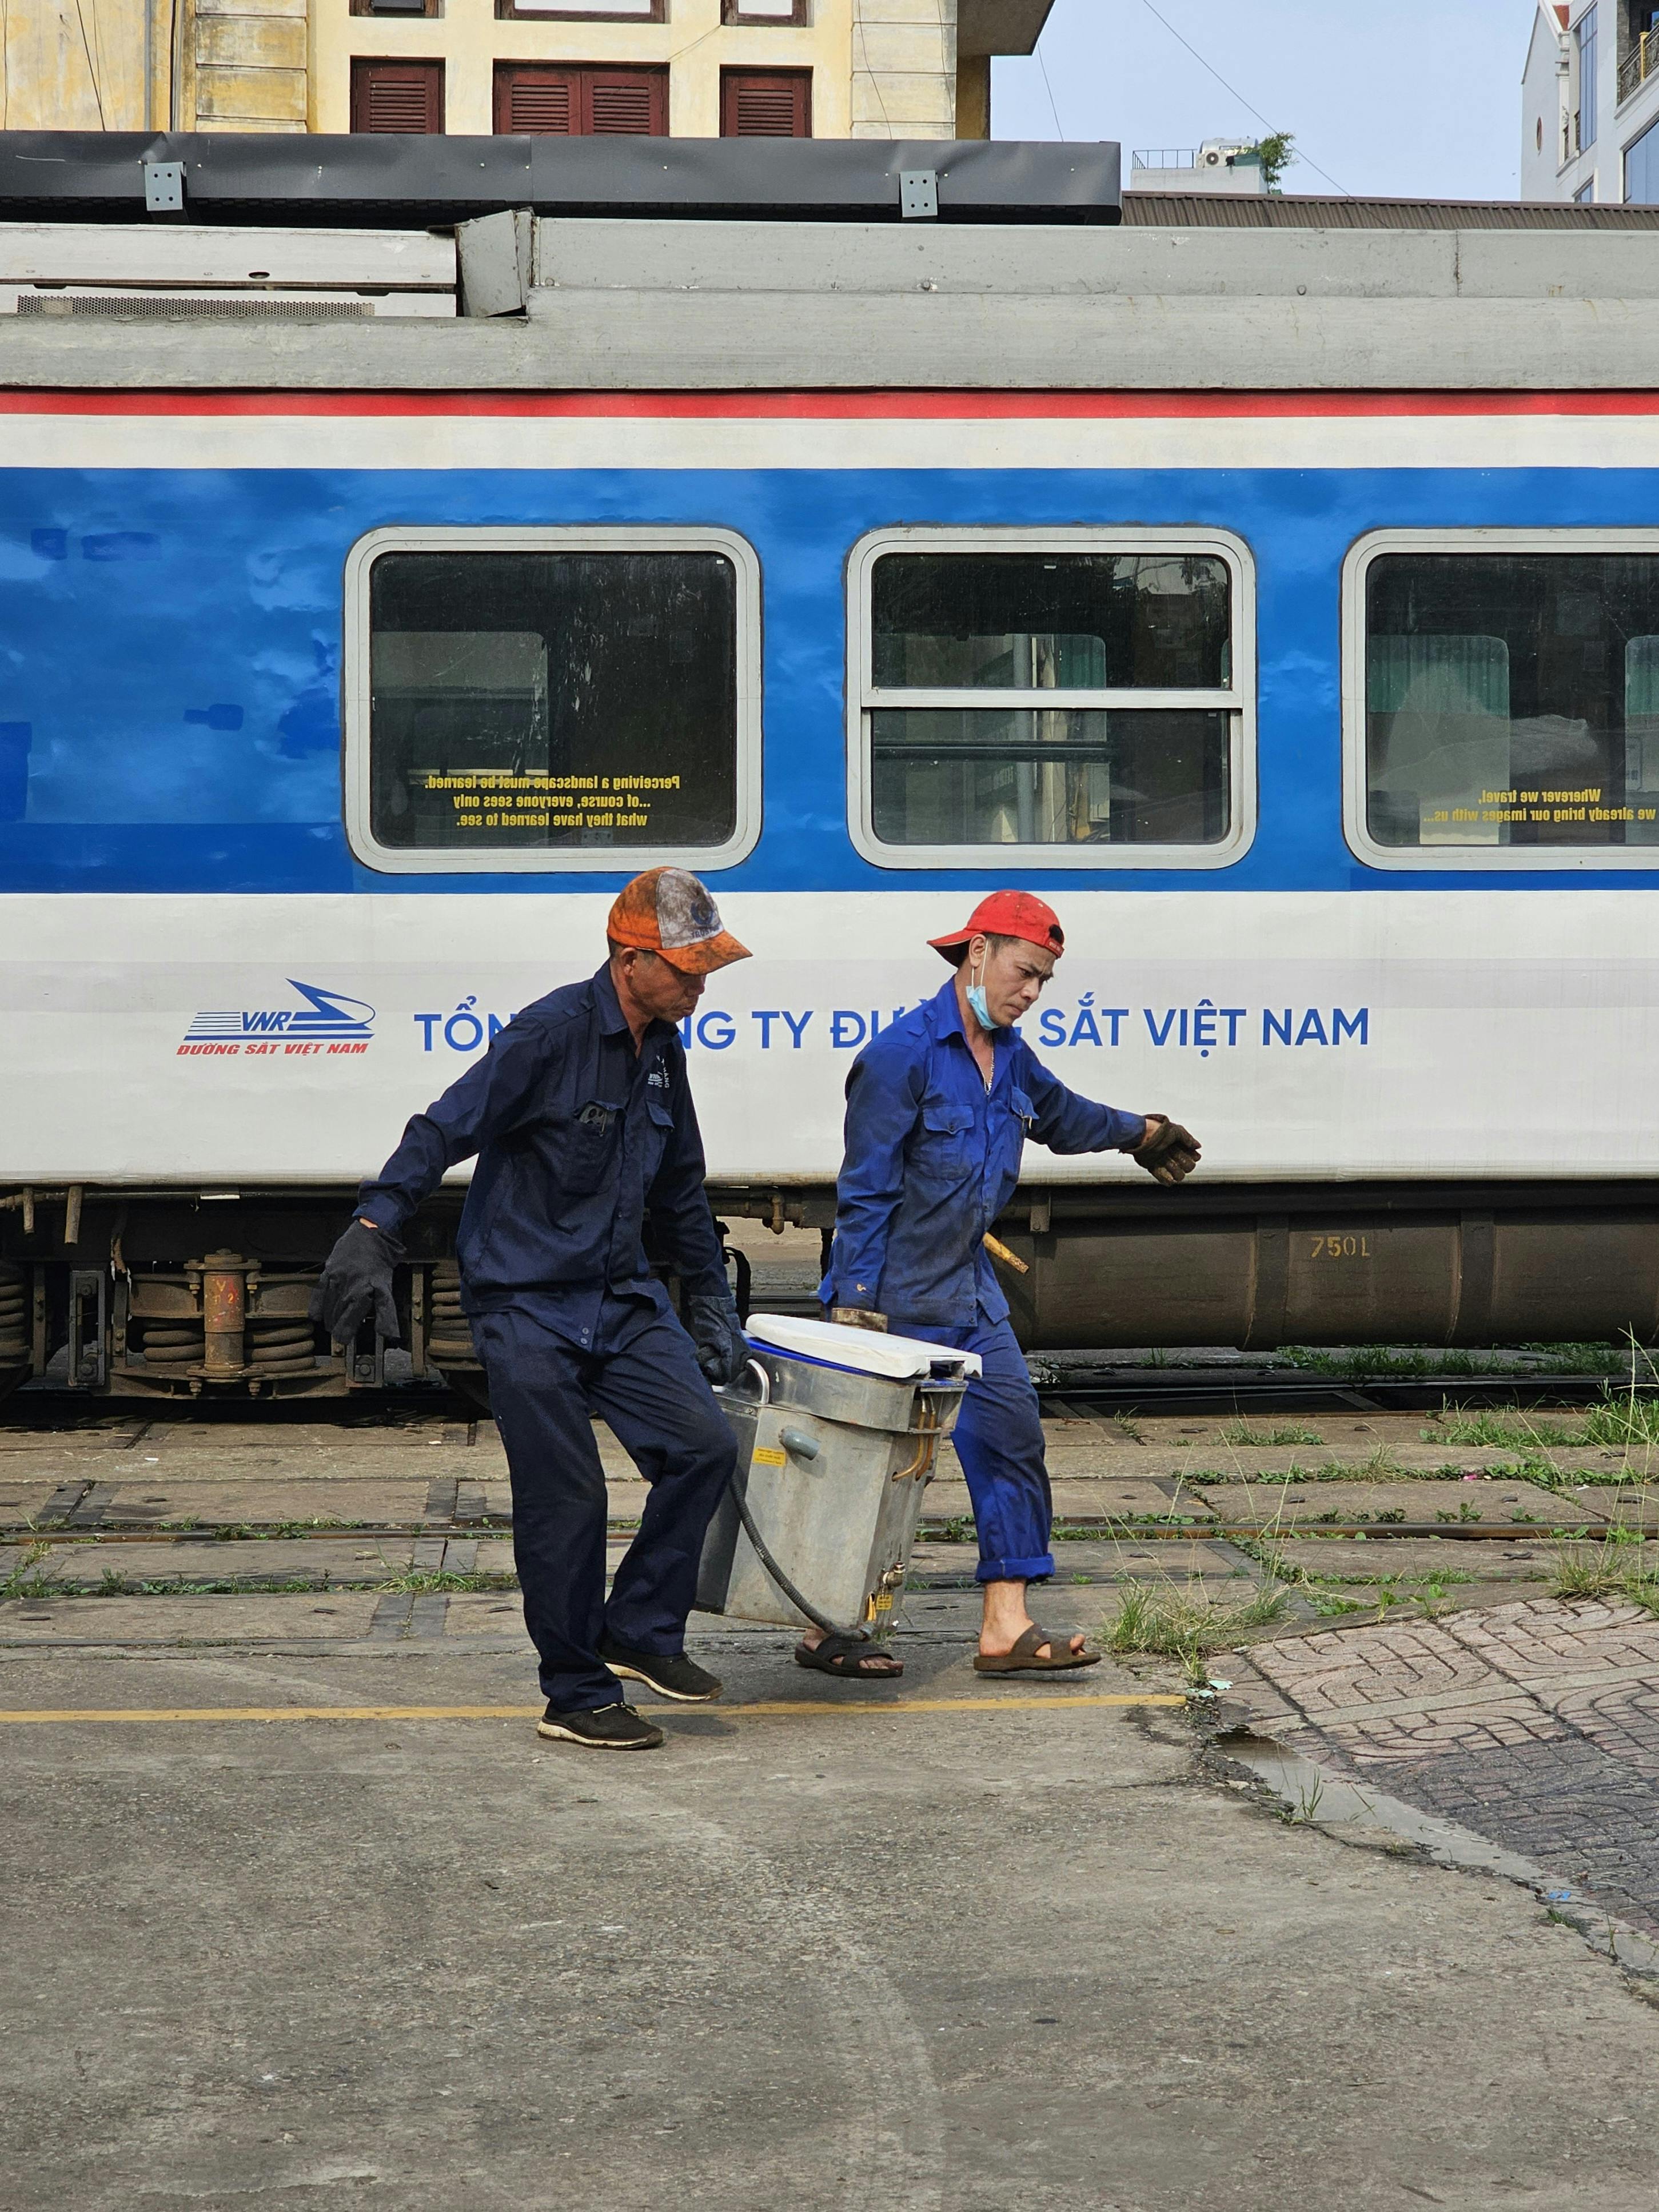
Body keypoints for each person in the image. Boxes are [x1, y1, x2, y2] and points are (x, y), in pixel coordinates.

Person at [309, 868, 752, 1751]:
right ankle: (575, 1690)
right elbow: (442, 1127)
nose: (703, 984)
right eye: (687, 968)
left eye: (707, 967)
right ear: (630, 962)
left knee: (703, 1446)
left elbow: (681, 1187)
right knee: (569, 1496)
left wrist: (708, 1300)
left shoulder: (662, 1048)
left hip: (619, 1298)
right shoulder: (546, 1035)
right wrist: (373, 1224)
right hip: (523, 1303)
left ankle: (635, 1632)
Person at [813, 891, 1200, 1683]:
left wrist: (1140, 1131)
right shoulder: (902, 1055)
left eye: (1043, 981)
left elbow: (1062, 1115)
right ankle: (832, 1628)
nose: (1030, 991)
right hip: (893, 1296)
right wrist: (855, 1306)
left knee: (1009, 1439)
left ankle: (1005, 1627)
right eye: (1024, 972)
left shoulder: (1011, 1056)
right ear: (976, 953)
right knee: (875, 1474)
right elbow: (865, 1186)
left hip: (969, 1291)